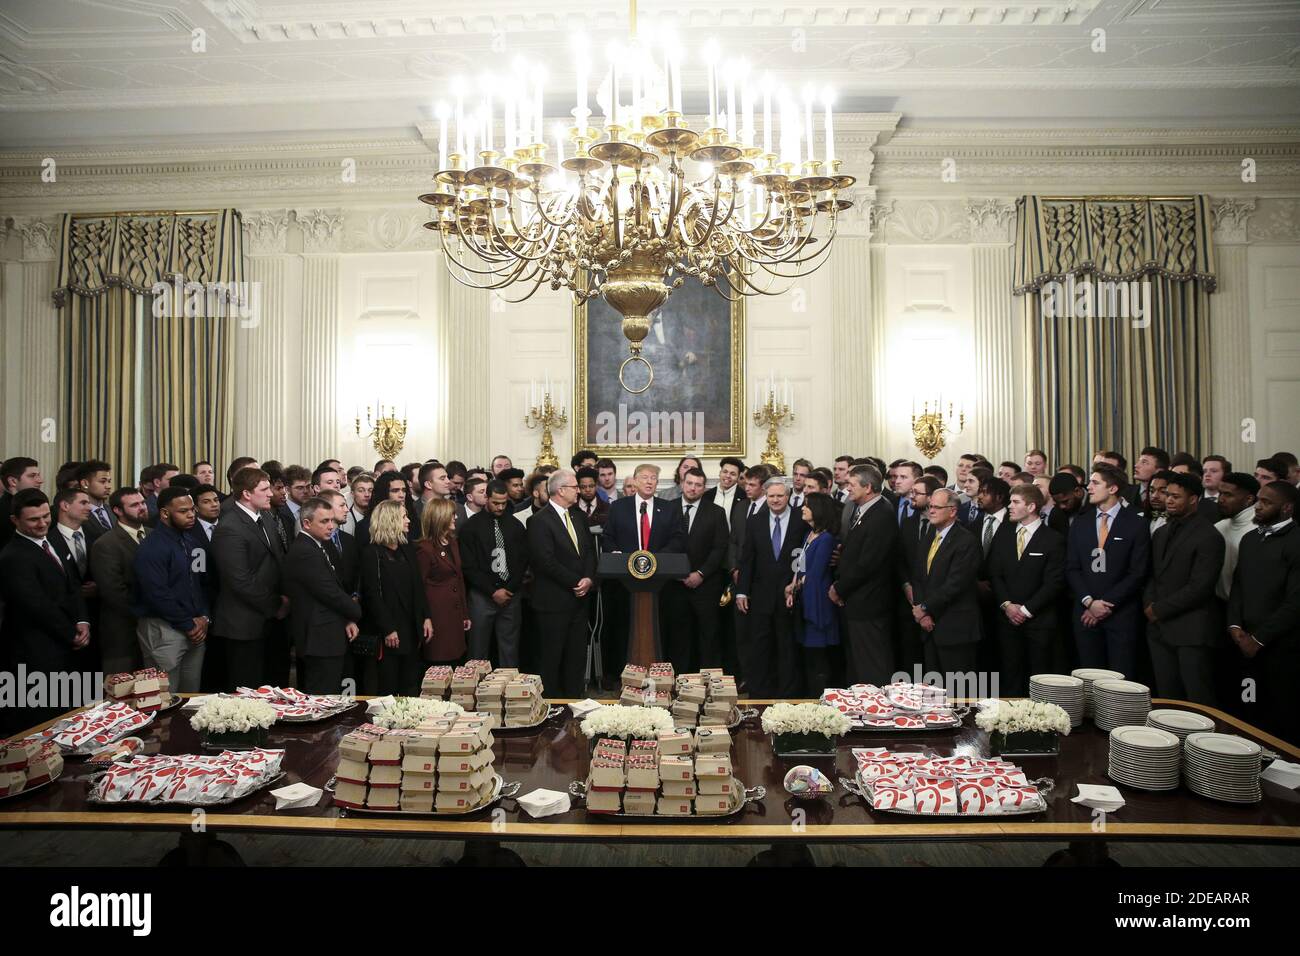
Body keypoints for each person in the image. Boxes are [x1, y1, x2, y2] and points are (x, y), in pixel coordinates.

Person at [1227, 481, 1300, 742]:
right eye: (1258, 500)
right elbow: (1238, 587)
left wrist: (1258, 639)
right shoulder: (1250, 539)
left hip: (1280, 647)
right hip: (1243, 643)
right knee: (1248, 708)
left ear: (1287, 508)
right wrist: (1235, 627)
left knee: (1280, 715)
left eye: (1267, 502)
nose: (1258, 506)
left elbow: (1295, 602)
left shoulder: (1295, 541)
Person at [1143, 472, 1224, 706]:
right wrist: (1149, 605)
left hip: (1191, 629)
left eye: (1176, 497)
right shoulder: (1161, 532)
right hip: (1159, 628)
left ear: (1193, 500)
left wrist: (1159, 609)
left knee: (1197, 697)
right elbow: (1152, 575)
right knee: (1167, 697)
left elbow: (1201, 587)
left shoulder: (1209, 535)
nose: (1168, 500)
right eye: (1168, 495)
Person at [1065, 463, 1151, 678]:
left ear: (1112, 489)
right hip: (1085, 614)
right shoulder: (1080, 523)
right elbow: (1072, 568)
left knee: (1120, 679)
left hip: (1121, 615)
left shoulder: (1136, 524)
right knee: (1088, 678)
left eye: (1095, 483)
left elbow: (1137, 572)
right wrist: (1089, 602)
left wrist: (1104, 605)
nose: (1089, 488)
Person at [986, 483, 1065, 696]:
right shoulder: (1004, 534)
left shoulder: (1053, 539)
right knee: (1009, 674)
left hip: (1039, 621)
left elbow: (1054, 582)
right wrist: (1007, 605)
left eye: (1015, 502)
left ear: (1031, 507)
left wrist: (1026, 610)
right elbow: (995, 573)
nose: (1009, 506)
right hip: (1006, 620)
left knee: (1039, 677)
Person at [210, 467, 286, 689]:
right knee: (247, 687)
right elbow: (239, 581)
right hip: (242, 623)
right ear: (246, 494)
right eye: (264, 489)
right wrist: (276, 605)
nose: (271, 494)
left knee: (272, 685)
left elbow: (278, 561)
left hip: (270, 620)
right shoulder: (229, 527)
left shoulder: (267, 518)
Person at [282, 497, 362, 695]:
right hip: (318, 639)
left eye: (332, 521)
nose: (331, 526)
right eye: (324, 521)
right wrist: (355, 611)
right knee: (322, 697)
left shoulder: (316, 546)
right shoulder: (305, 551)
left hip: (327, 634)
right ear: (307, 523)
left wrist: (346, 619)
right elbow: (329, 592)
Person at [527, 470, 597, 697]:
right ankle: (552, 707)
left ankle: (575, 700)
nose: (579, 490)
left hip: (579, 601)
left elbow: (587, 552)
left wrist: (588, 578)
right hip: (553, 602)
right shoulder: (538, 521)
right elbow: (545, 561)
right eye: (575, 487)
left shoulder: (578, 516)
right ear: (561, 490)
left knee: (576, 656)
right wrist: (576, 581)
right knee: (552, 657)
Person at [735, 477, 807, 697]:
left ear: (788, 496)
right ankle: (759, 694)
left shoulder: (800, 519)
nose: (775, 500)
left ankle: (788, 695)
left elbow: (804, 555)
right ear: (766, 496)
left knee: (787, 646)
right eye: (772, 496)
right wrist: (742, 591)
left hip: (790, 594)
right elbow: (747, 559)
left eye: (780, 496)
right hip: (760, 595)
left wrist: (797, 584)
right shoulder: (756, 520)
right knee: (760, 646)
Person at [132, 487, 209, 692]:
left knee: (191, 697)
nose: (191, 514)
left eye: (192, 509)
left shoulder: (191, 542)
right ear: (165, 513)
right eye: (183, 511)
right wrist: (188, 624)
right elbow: (157, 593)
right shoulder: (151, 548)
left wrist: (203, 616)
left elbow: (200, 583)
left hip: (195, 627)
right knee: (164, 699)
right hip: (165, 629)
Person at [830, 464, 898, 686]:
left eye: (852, 484)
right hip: (858, 600)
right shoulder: (863, 510)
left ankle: (877, 711)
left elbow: (868, 563)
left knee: (873, 664)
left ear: (868, 487)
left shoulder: (881, 514)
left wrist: (839, 588)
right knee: (859, 663)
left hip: (871, 602)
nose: (848, 488)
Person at [359, 500, 432, 697]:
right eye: (403, 517)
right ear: (390, 520)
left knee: (410, 682)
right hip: (389, 631)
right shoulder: (371, 553)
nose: (408, 520)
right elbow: (372, 595)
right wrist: (388, 628)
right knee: (388, 683)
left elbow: (418, 586)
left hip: (411, 626)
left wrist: (426, 616)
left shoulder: (406, 549)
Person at [661, 467, 729, 672]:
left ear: (704, 488)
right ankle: (679, 681)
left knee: (708, 636)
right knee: (677, 636)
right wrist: (676, 573)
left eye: (698, 485)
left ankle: (709, 685)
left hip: (705, 585)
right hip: (673, 585)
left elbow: (720, 548)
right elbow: (660, 543)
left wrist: (700, 574)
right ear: (682, 484)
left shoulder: (716, 512)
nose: (693, 488)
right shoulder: (666, 508)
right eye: (689, 483)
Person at [908, 488, 983, 675]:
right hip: (928, 627)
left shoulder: (966, 541)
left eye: (937, 507)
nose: (931, 511)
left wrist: (925, 608)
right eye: (930, 506)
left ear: (952, 511)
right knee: (934, 691)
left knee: (959, 691)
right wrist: (923, 612)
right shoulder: (929, 536)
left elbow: (955, 584)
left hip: (955, 627)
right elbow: (918, 577)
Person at [461, 480, 530, 666]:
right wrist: (492, 591)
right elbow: (469, 566)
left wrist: (509, 589)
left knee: (510, 648)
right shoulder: (470, 527)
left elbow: (522, 562)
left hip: (510, 594)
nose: (500, 507)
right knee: (478, 649)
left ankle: (510, 690)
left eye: (504, 503)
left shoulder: (515, 526)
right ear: (486, 498)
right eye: (495, 503)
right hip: (482, 595)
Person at [89, 487, 149, 675]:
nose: (141, 507)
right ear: (117, 510)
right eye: (134, 505)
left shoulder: (154, 534)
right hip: (123, 631)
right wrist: (147, 611)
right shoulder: (106, 544)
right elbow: (113, 592)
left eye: (142, 503)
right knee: (121, 693)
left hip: (154, 629)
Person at [788, 491, 841, 696]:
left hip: (817, 603)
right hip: (805, 597)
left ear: (818, 510)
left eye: (807, 505)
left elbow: (816, 573)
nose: (803, 508)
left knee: (819, 658)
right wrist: (793, 585)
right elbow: (800, 565)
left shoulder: (826, 538)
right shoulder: (808, 534)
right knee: (808, 656)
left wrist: (797, 585)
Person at [416, 498, 471, 667]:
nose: (455, 517)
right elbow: (419, 587)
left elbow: (459, 578)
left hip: (454, 614)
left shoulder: (453, 542)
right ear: (439, 518)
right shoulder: (424, 549)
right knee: (440, 661)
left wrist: (464, 613)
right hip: (437, 615)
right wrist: (426, 617)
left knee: (457, 660)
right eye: (451, 515)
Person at [602, 463, 685, 555]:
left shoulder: (669, 508)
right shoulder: (618, 507)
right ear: (635, 481)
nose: (649, 481)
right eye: (645, 477)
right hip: (625, 564)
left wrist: (661, 557)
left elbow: (677, 538)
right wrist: (617, 554)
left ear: (657, 483)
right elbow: (607, 536)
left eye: (653, 478)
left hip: (660, 564)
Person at [1214, 472, 1259, 601]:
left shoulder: (1260, 530)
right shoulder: (1219, 527)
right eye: (1220, 493)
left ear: (1249, 499)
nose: (1221, 499)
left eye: (1228, 495)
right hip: (1219, 605)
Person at [0, 457, 44, 551]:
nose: (40, 480)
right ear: (13, 481)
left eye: (38, 475)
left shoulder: (23, 505)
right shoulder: (4, 511)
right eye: (32, 476)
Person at [76, 460, 114, 549]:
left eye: (109, 481)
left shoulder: (112, 510)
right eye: (102, 481)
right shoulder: (76, 513)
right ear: (85, 483)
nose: (108, 486)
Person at [702, 457, 746, 532]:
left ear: (738, 477)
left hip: (733, 542)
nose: (728, 476)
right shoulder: (707, 496)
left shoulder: (744, 497)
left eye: (733, 474)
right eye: (725, 472)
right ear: (720, 473)